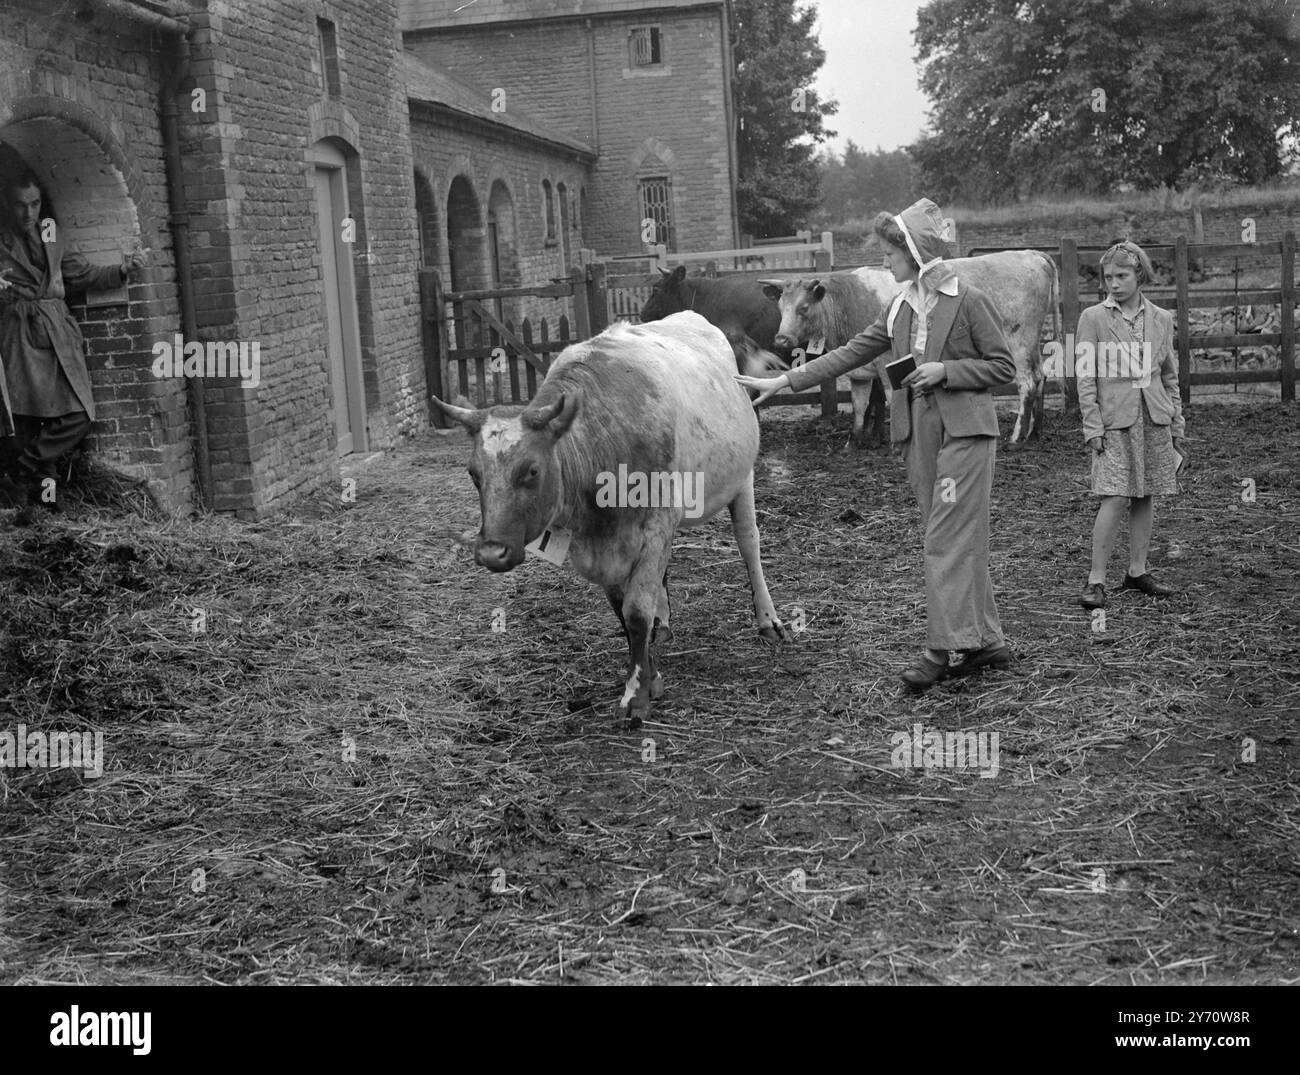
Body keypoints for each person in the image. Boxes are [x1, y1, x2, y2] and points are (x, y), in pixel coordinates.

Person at [736, 198, 1016, 691]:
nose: (885, 262)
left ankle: (939, 649)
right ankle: (985, 640)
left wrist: (947, 371)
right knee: (954, 537)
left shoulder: (968, 300)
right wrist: (787, 381)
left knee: (942, 539)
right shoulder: (900, 305)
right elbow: (851, 353)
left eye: (892, 252)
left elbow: (1003, 367)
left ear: (915, 251)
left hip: (966, 436)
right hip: (920, 437)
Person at [0, 168, 146, 511]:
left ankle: (21, 469)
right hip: (19, 334)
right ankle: (40, 508)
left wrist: (122, 271)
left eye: (35, 204)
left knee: (79, 414)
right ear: (8, 204)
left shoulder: (52, 234)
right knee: (30, 420)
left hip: (58, 335)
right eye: (21, 205)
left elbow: (82, 273)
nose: (29, 213)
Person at [1077, 241, 1186, 609]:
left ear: (1139, 274)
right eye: (1108, 277)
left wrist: (1176, 427)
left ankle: (1137, 571)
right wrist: (1093, 427)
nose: (1114, 284)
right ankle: (1096, 580)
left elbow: (1170, 378)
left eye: (1121, 276)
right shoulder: (1094, 318)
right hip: (1114, 422)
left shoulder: (1161, 318)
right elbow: (1085, 377)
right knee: (1115, 495)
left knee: (1146, 494)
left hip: (1154, 419)